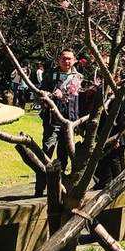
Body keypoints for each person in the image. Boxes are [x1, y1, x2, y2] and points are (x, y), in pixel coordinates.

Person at [34, 49, 82, 197]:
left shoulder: (79, 77)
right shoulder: (50, 76)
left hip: (69, 122)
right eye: (64, 59)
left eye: (69, 59)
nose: (66, 62)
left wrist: (79, 122)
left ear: (74, 60)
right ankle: (40, 188)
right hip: (52, 120)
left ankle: (58, 189)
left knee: (63, 156)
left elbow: (81, 100)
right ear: (58, 60)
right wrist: (48, 95)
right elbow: (40, 94)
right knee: (47, 152)